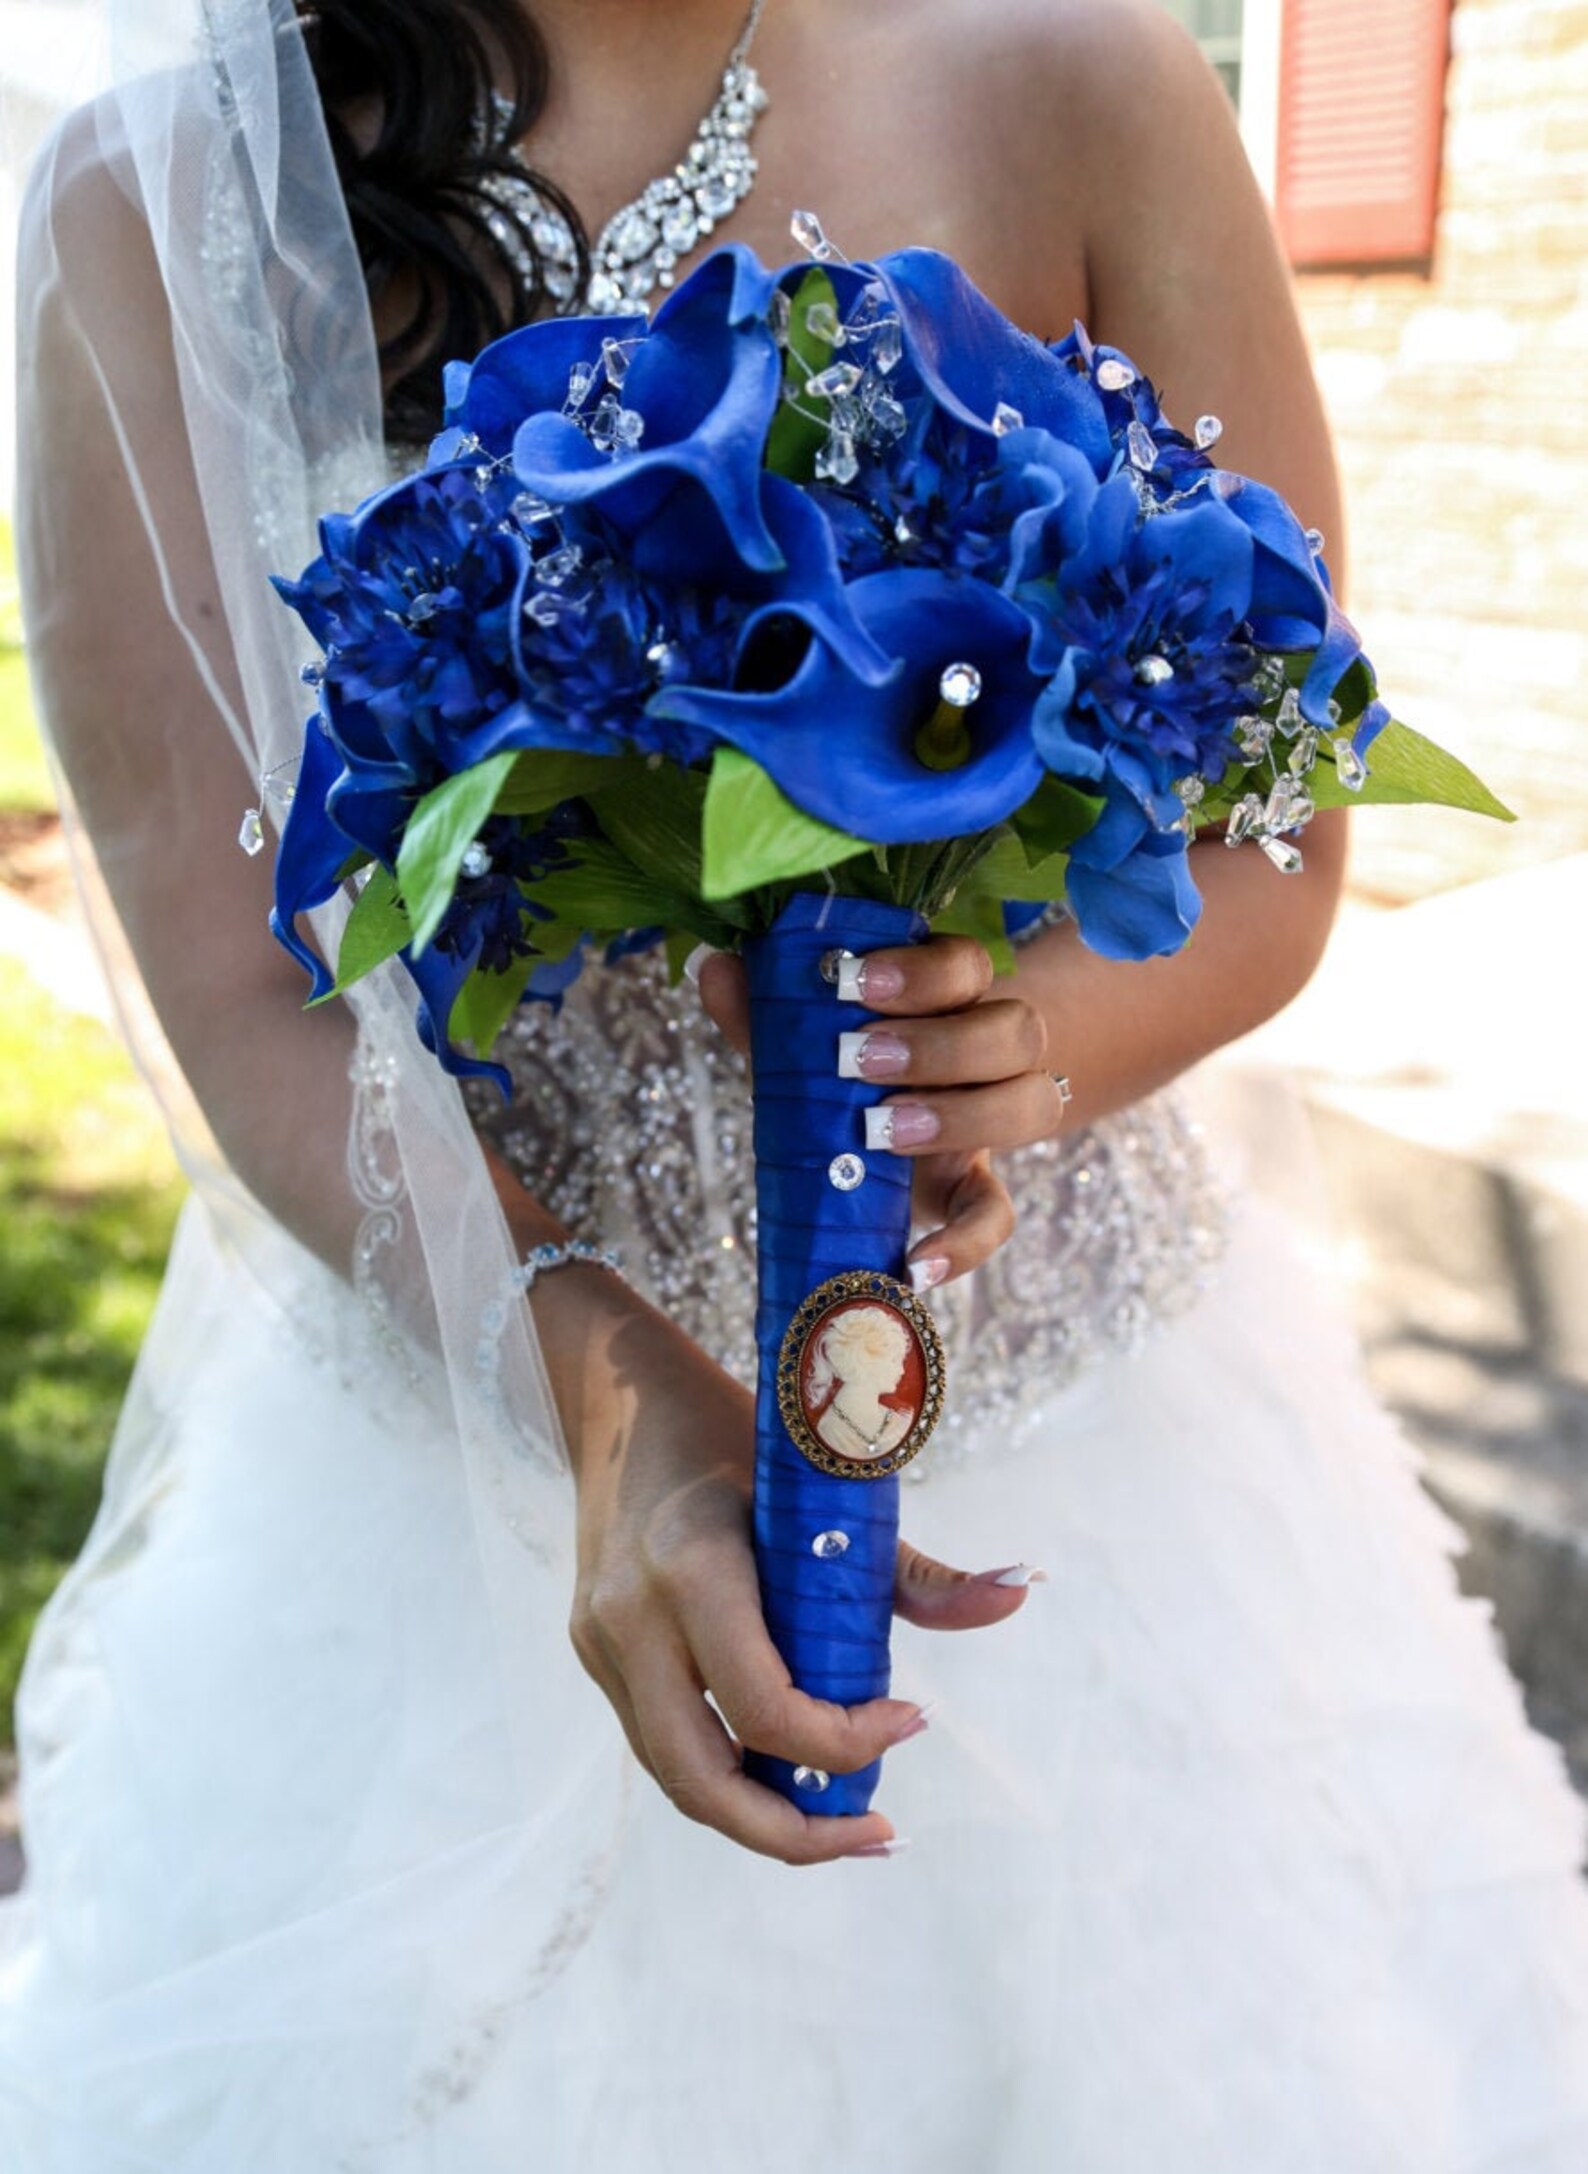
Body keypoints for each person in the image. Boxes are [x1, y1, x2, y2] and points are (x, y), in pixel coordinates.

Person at [3, 0, 1588, 2165]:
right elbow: (245, 980)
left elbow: (1278, 814)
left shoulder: (1076, 77)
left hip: (1096, 1461)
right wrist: (603, 1389)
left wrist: (1021, 1048)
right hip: (467, 1485)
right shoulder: (138, 209)